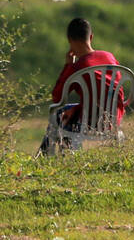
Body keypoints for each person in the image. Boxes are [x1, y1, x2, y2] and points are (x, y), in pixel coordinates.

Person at [39, 17, 125, 153]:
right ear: (91, 37)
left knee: (56, 111)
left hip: (89, 122)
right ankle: (56, 152)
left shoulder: (77, 67)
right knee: (67, 112)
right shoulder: (109, 56)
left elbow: (57, 97)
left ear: (69, 41)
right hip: (114, 118)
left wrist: (68, 65)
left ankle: (53, 154)